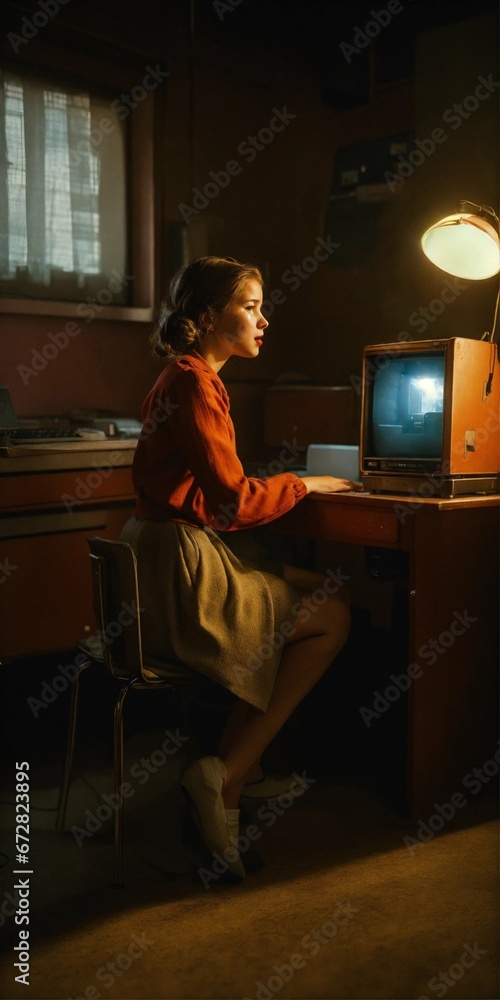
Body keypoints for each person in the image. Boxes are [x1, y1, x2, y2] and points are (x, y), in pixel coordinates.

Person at [120, 255, 362, 881]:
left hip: (161, 558)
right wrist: (302, 484)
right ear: (206, 318)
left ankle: (242, 763)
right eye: (251, 306)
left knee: (312, 586)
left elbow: (208, 492)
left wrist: (277, 486)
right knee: (331, 617)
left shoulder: (183, 375)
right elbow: (229, 503)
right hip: (181, 572)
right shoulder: (196, 382)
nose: (264, 319)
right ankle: (224, 778)